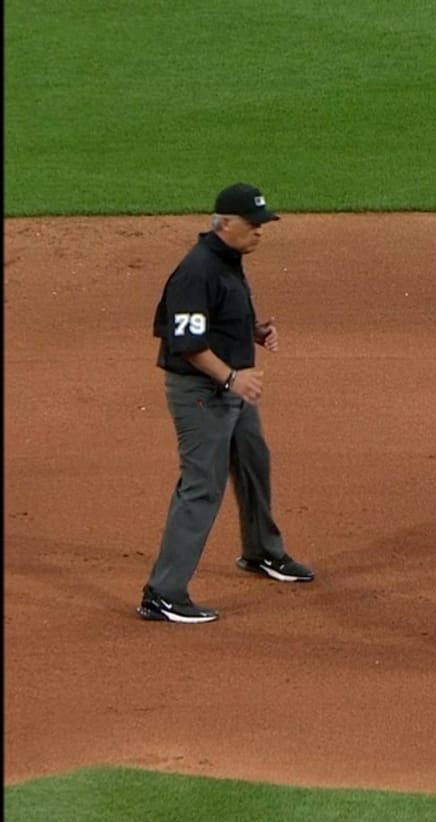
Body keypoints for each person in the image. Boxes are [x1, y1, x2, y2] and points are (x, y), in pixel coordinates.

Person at [137, 183, 315, 624]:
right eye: (253, 224)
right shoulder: (197, 271)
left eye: (262, 224)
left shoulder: (227, 261)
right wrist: (233, 377)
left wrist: (250, 333)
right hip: (203, 393)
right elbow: (187, 344)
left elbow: (214, 321)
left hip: (228, 389)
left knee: (254, 461)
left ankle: (261, 552)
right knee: (202, 486)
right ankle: (162, 593)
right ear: (225, 223)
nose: (260, 232)